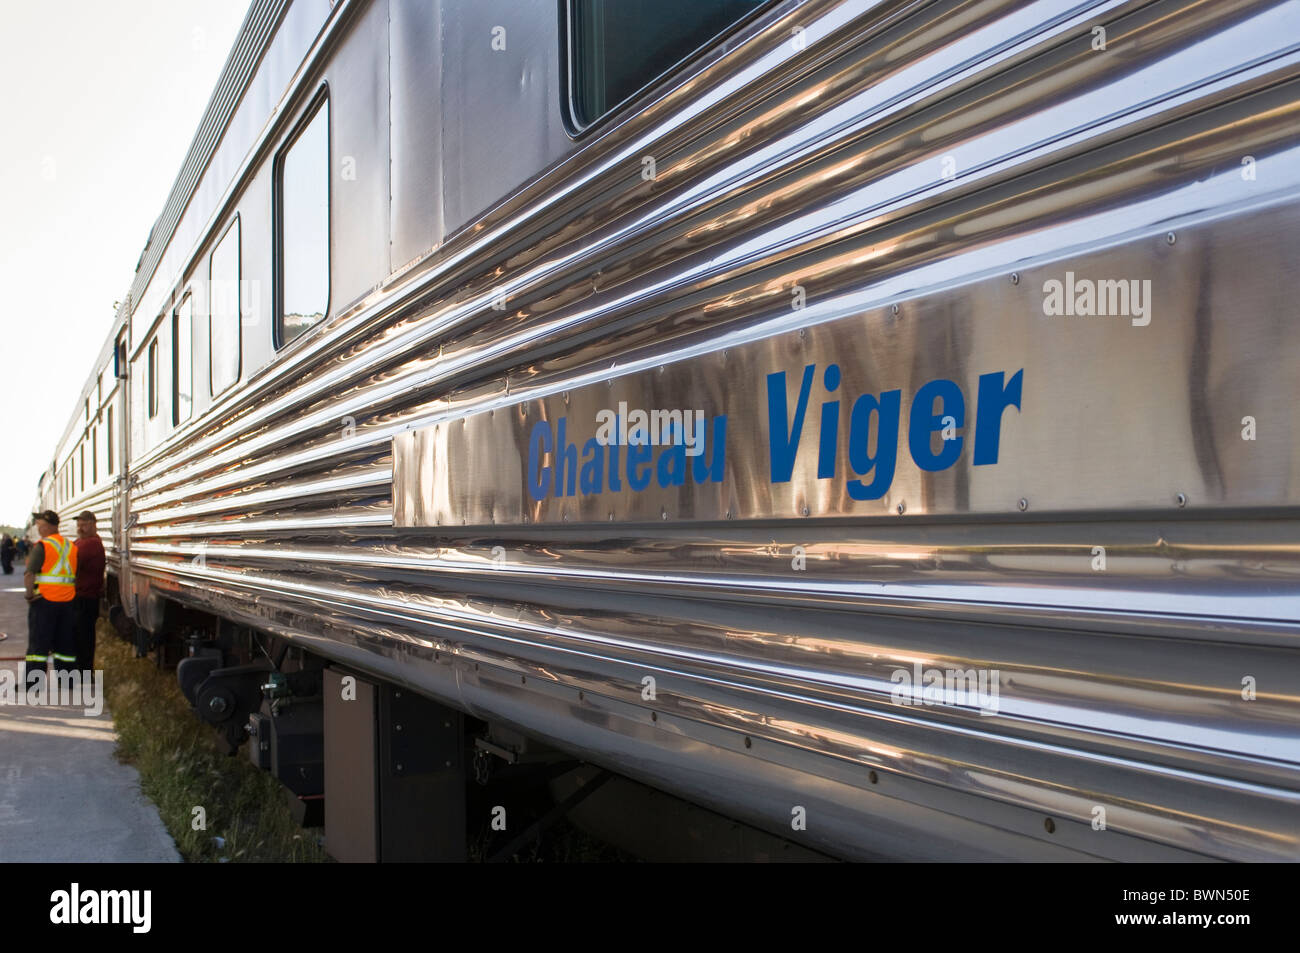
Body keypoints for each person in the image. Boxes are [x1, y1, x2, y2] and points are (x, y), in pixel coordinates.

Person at [24, 510, 78, 686]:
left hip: (45, 601)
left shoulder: (43, 546)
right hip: (68, 602)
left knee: (38, 645)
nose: (38, 528)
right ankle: (67, 681)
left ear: (46, 525)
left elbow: (29, 574)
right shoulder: (71, 546)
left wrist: (29, 594)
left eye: (39, 525)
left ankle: (34, 683)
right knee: (64, 644)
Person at [73, 510, 105, 672]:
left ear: (93, 524)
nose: (80, 528)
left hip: (85, 598)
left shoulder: (90, 543)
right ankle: (83, 670)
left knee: (83, 637)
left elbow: (71, 557)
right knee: (81, 637)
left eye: (84, 525)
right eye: (79, 525)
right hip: (83, 597)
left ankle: (84, 672)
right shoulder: (83, 541)